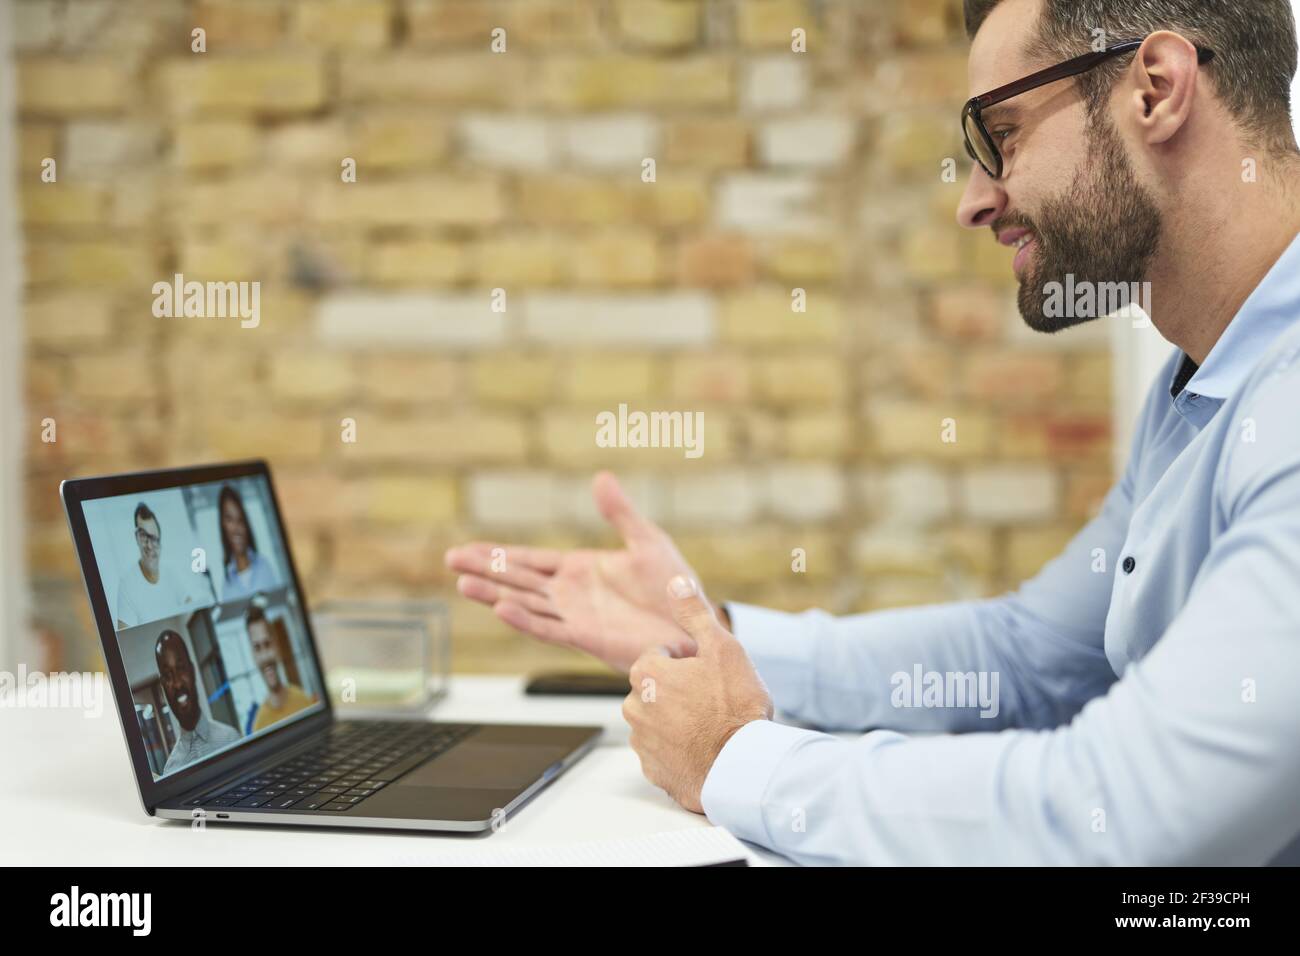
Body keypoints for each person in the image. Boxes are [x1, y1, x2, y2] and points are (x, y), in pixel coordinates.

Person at [447, 0, 1300, 864]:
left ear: (1155, 89)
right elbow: (1028, 657)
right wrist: (710, 633)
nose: (975, 202)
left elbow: (1132, 808)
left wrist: (740, 762)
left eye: (1001, 132)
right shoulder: (1201, 385)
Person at [156, 629, 240, 776]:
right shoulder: (171, 771)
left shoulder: (231, 739)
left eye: (181, 669)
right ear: (163, 686)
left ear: (192, 671)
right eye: (168, 676)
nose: (177, 684)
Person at [115, 503, 194, 630]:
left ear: (160, 543)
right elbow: (124, 637)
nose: (150, 546)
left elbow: (194, 613)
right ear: (137, 538)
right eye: (144, 536)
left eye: (153, 538)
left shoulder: (171, 574)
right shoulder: (127, 585)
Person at [244, 602, 315, 733]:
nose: (265, 656)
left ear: (276, 647)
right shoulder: (259, 726)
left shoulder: (304, 700)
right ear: (253, 656)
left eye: (267, 644)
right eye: (257, 648)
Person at [217, 484, 278, 601]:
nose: (236, 528)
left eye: (240, 519)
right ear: (222, 526)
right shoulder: (227, 586)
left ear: (246, 525)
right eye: (229, 519)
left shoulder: (264, 566)